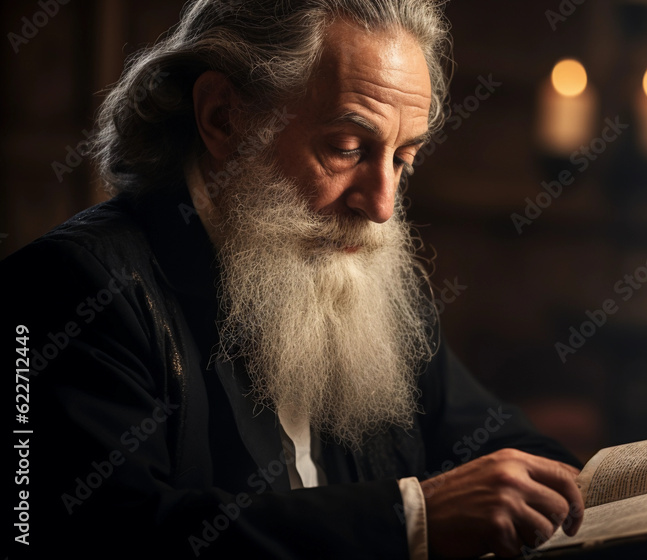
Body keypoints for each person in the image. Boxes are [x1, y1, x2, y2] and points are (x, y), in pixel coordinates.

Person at [4, 1, 583, 558]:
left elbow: (503, 446)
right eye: (347, 148)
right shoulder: (73, 287)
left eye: (403, 159)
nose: (382, 205)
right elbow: (111, 537)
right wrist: (411, 519)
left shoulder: (369, 281)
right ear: (223, 118)